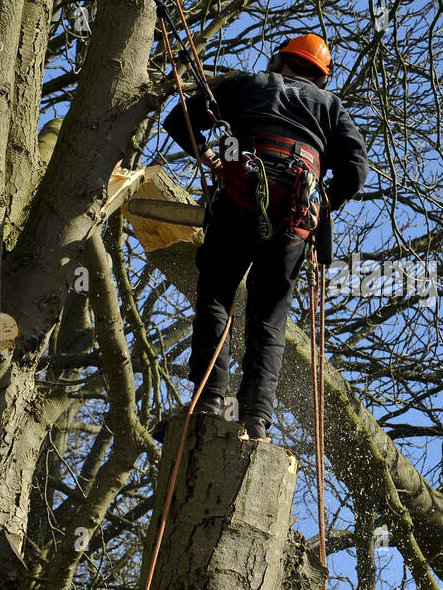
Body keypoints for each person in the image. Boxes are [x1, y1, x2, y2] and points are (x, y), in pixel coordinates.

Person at [157, 34, 370, 442]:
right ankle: (255, 416)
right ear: (320, 77)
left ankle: (208, 399)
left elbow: (179, 117)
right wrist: (323, 202)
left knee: (217, 294)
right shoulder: (330, 106)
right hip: (294, 215)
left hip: (240, 197)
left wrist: (208, 156)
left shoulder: (251, 83)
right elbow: (356, 168)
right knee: (269, 317)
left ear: (282, 61)